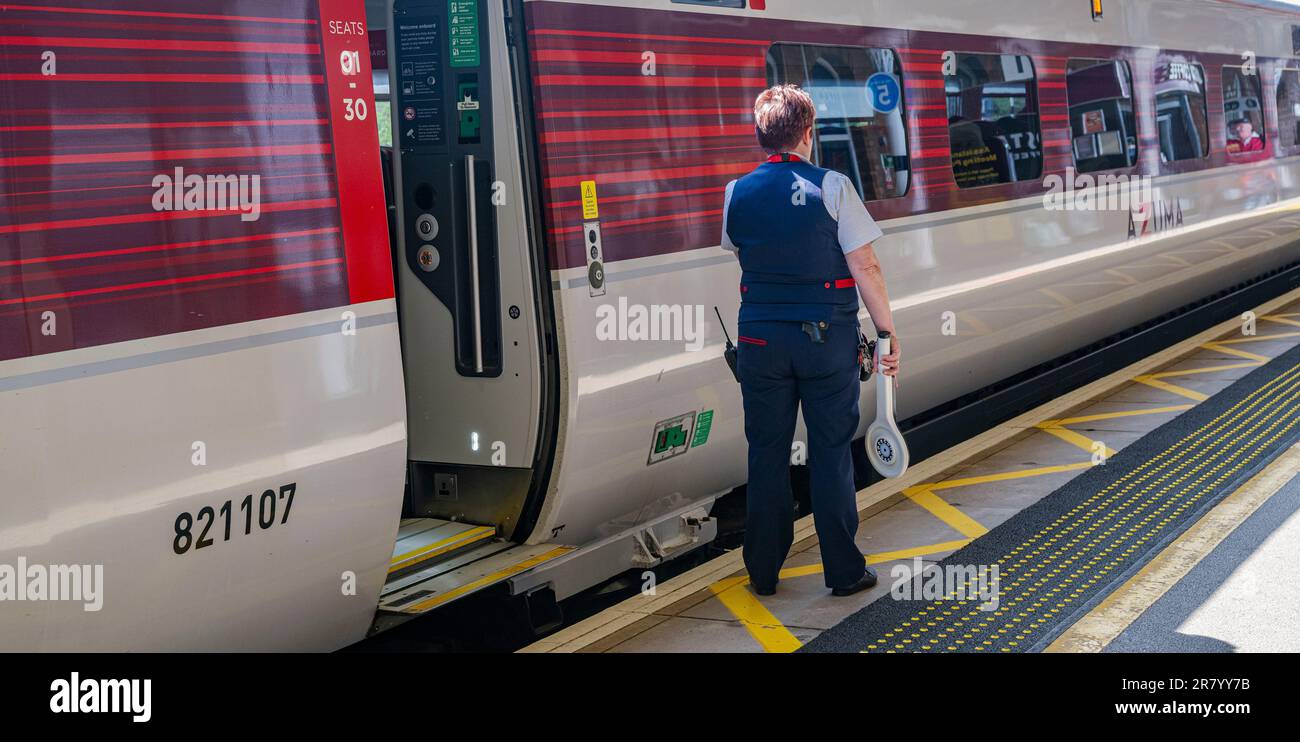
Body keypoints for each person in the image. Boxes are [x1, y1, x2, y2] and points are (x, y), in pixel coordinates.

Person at [721, 84, 900, 598]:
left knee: (767, 453)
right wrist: (886, 333)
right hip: (826, 342)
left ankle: (762, 572)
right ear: (807, 133)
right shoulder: (834, 187)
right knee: (829, 453)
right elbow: (864, 265)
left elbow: (746, 254)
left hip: (759, 344)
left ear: (761, 135)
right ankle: (843, 572)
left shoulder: (736, 192)